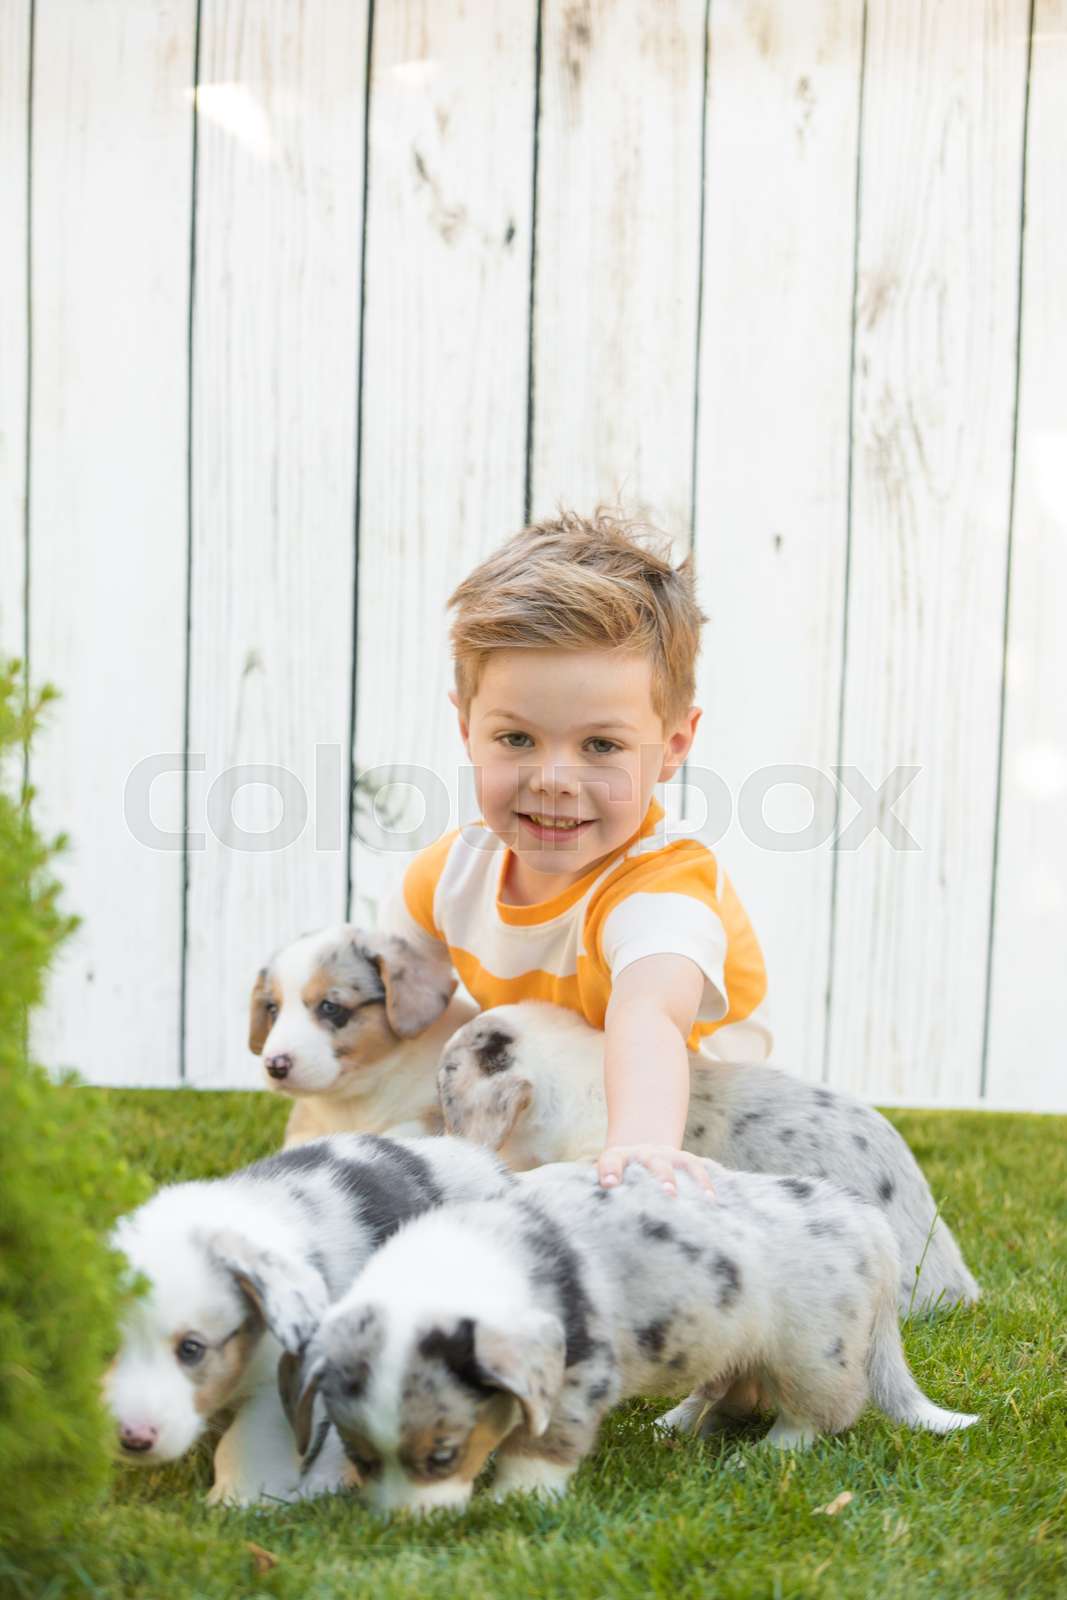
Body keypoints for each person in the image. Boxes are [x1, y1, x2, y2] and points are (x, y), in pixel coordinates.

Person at [378, 508, 772, 1195]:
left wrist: (639, 1155)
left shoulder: (661, 892)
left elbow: (648, 1015)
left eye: (600, 746)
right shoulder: (448, 876)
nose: (554, 779)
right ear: (466, 728)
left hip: (693, 1127)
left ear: (673, 746)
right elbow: (397, 1006)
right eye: (517, 739)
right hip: (553, 1108)